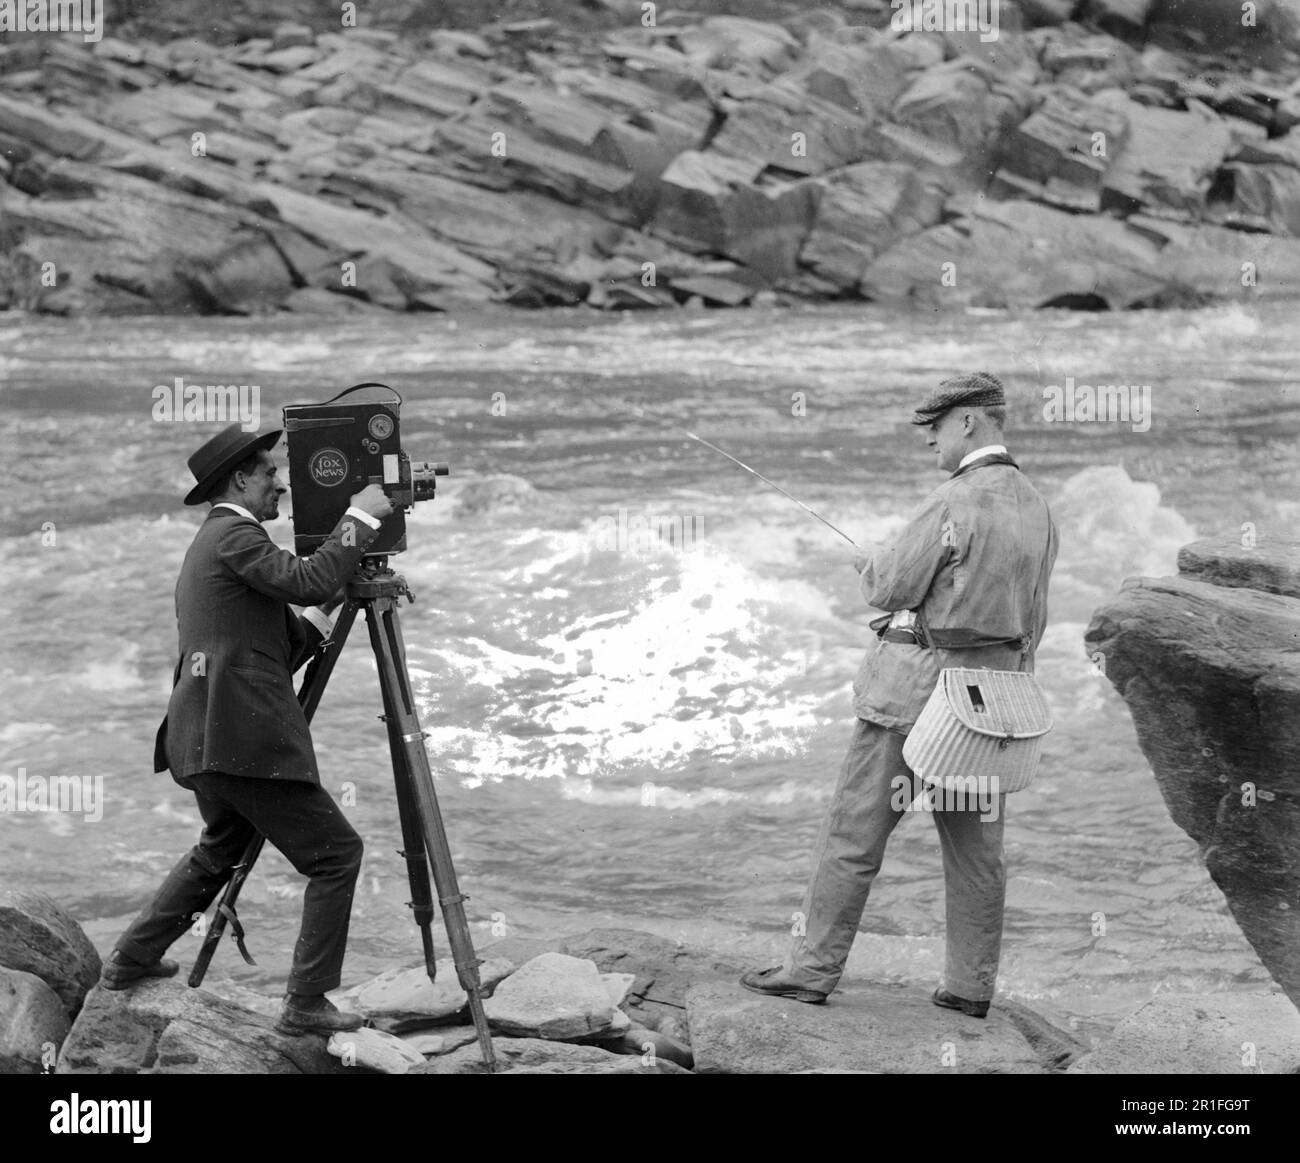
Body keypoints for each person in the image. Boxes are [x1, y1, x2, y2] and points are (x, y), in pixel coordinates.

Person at [741, 372, 1058, 1016]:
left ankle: (811, 970)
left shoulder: (952, 501)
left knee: (853, 836)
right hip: (988, 705)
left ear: (967, 423)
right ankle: (969, 989)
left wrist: (873, 564)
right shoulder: (1037, 506)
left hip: (911, 700)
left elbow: (888, 589)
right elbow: (1036, 618)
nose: (930, 445)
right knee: (977, 855)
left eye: (934, 429)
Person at [100, 424, 394, 1036]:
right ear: (239, 479)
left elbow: (285, 645)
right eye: (270, 474)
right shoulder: (234, 532)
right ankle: (306, 1002)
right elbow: (306, 579)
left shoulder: (217, 546)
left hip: (208, 734)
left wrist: (343, 592)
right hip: (239, 737)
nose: (282, 485)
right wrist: (358, 519)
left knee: (219, 850)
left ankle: (129, 962)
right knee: (337, 855)